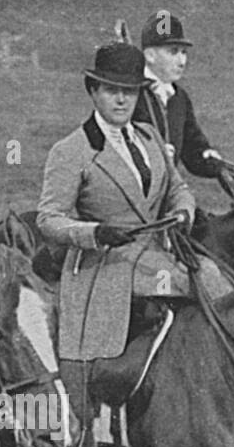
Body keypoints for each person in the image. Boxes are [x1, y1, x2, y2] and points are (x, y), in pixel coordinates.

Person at [36, 41, 195, 363]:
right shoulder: (71, 151)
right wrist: (95, 232)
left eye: (131, 91)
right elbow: (48, 218)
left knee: (215, 284)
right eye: (112, 90)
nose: (122, 99)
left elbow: (178, 189)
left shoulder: (150, 137)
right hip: (105, 270)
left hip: (157, 259)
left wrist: (182, 212)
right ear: (93, 91)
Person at [131, 11, 225, 182]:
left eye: (184, 52)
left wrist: (207, 157)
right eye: (173, 52)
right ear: (150, 55)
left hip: (167, 191)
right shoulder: (129, 92)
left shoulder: (179, 98)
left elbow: (192, 149)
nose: (182, 61)